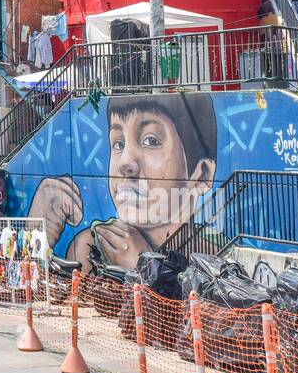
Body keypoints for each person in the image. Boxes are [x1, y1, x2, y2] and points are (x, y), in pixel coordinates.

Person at [27, 93, 218, 271]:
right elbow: (61, 298)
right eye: (118, 144)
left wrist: (143, 265)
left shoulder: (216, 258)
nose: (126, 162)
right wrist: (36, 234)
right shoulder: (92, 244)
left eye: (150, 141)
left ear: (202, 175)